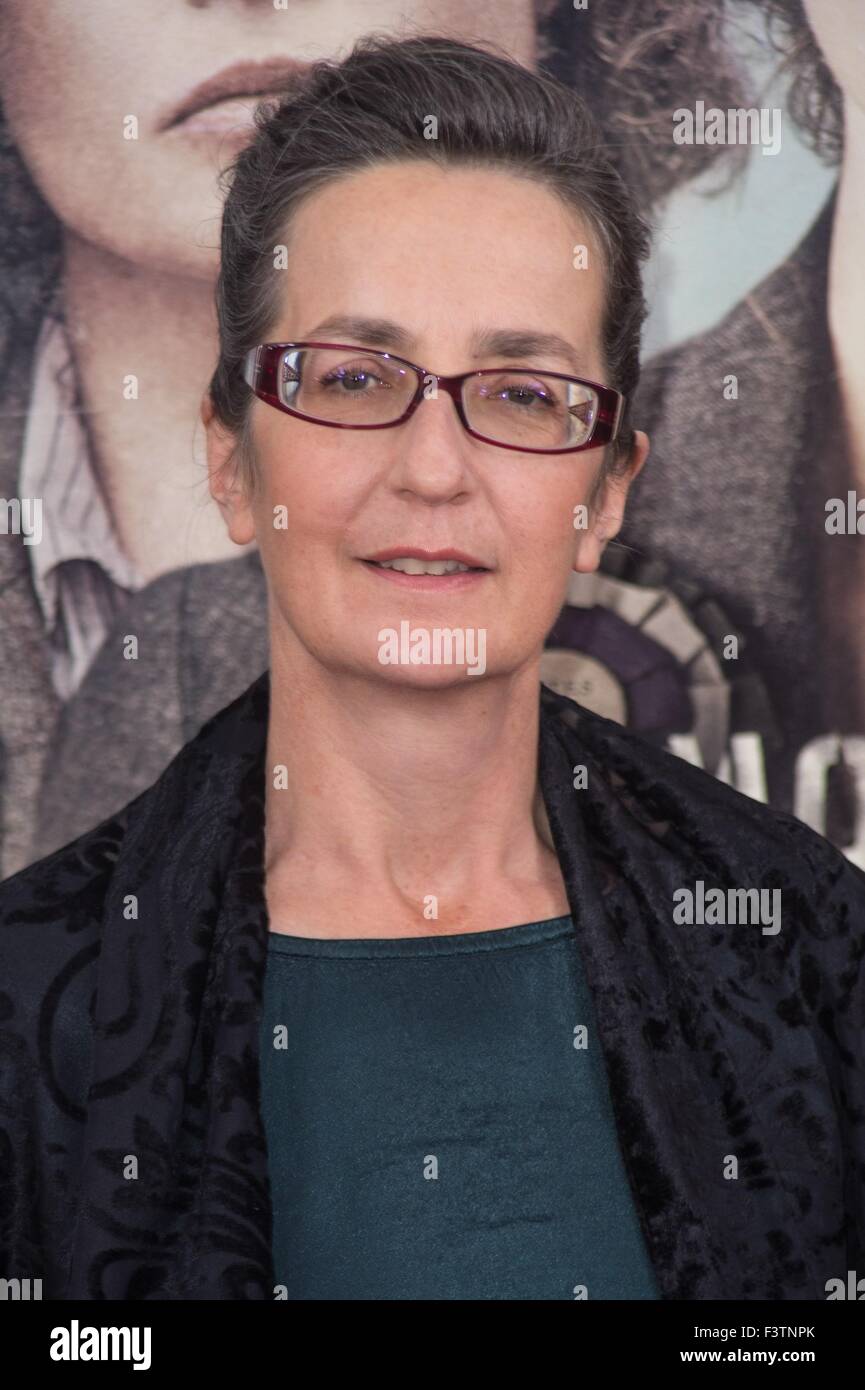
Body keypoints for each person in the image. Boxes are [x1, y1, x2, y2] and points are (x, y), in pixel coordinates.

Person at [2, 35, 862, 1302]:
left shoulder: (814, 956)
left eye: (521, 394)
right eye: (352, 378)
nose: (434, 467)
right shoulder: (28, 1009)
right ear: (231, 458)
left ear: (604, 488)